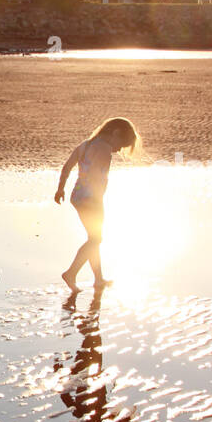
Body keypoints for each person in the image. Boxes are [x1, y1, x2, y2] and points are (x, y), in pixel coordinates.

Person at [54, 116, 139, 291]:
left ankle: (98, 279)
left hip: (77, 196)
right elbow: (98, 177)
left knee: (94, 238)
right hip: (91, 199)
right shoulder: (103, 149)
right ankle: (70, 273)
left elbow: (67, 167)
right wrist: (99, 199)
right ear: (115, 133)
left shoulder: (85, 144)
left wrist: (60, 189)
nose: (118, 150)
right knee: (96, 239)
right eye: (121, 145)